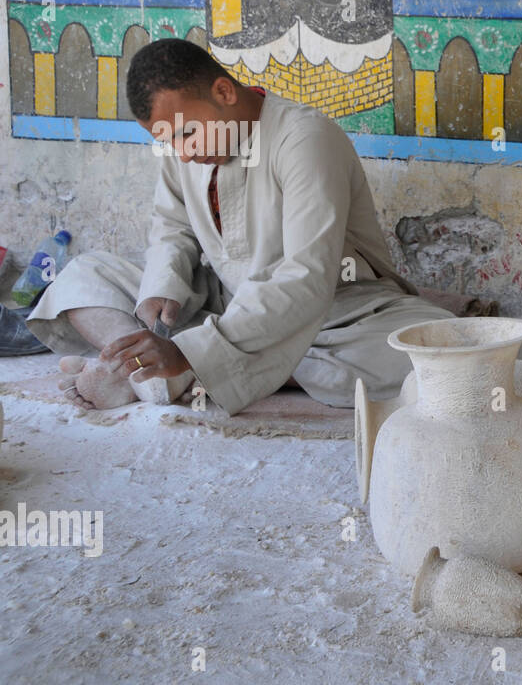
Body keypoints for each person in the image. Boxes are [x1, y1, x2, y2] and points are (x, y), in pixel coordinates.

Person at [26, 38, 450, 413]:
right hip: (226, 298)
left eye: (186, 134)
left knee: (440, 353)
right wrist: (162, 287)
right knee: (83, 275)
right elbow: (172, 227)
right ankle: (137, 364)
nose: (181, 153)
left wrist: (190, 350)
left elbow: (308, 276)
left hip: (336, 314)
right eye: (166, 142)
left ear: (224, 91)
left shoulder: (305, 140)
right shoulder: (184, 149)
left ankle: (161, 374)